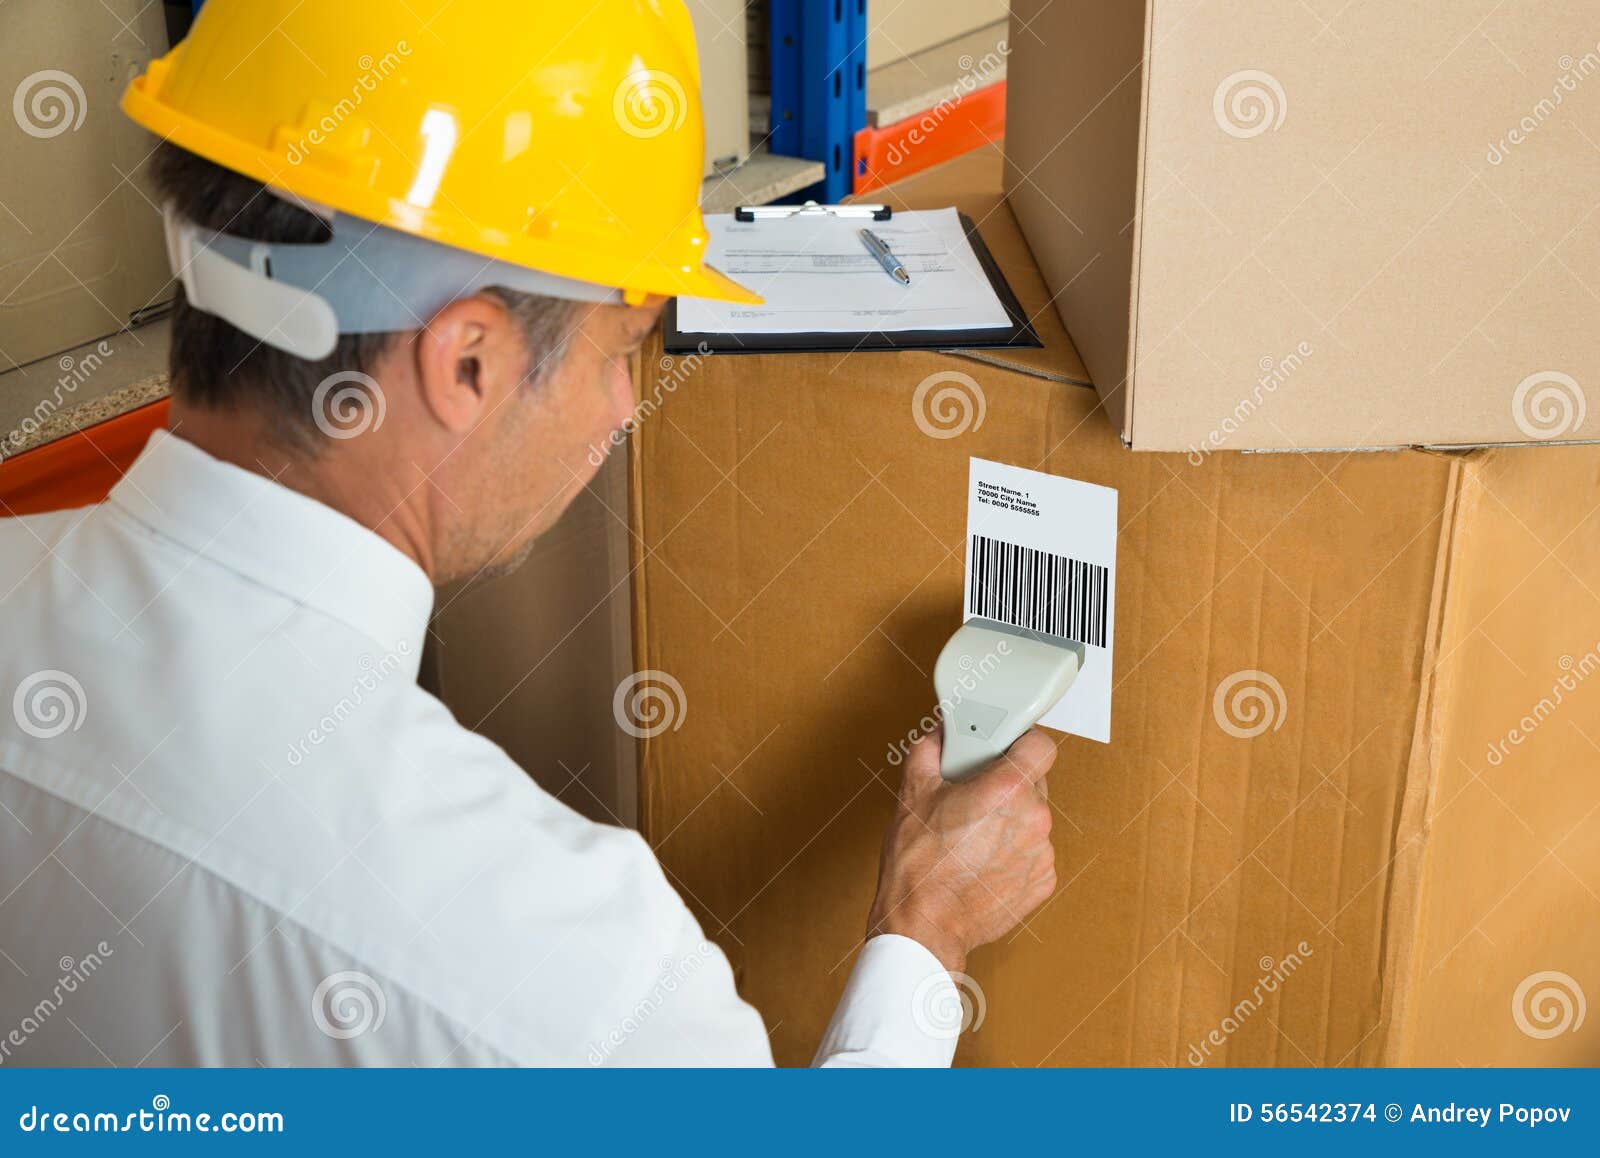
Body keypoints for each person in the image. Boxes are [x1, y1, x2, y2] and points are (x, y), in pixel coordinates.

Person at [0, 1, 1057, 1066]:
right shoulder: (569, 979)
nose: (619, 406)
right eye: (624, 347)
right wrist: (925, 933)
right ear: (469, 362)